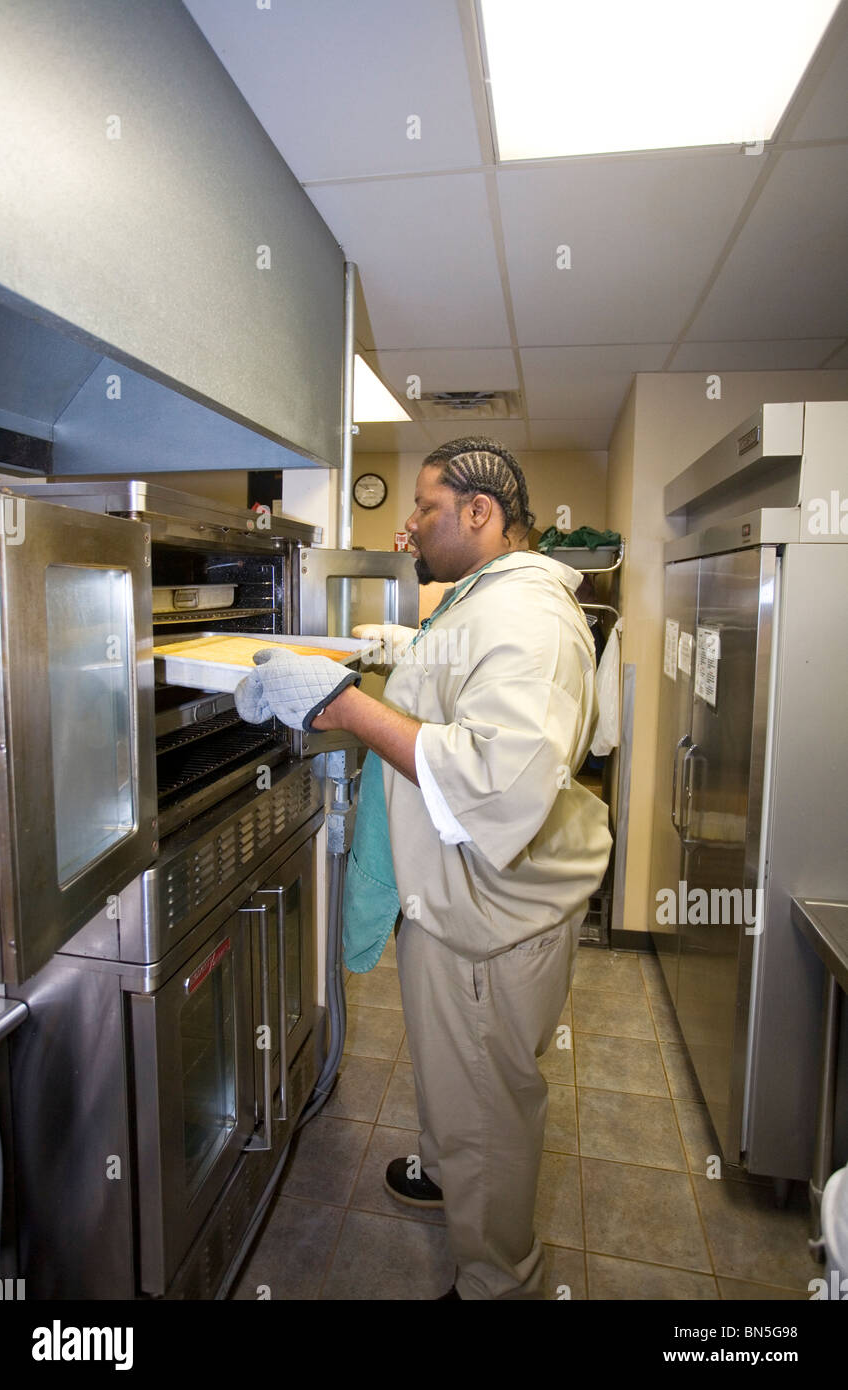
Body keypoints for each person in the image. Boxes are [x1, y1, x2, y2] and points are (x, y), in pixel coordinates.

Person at [235, 437, 612, 1300]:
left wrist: (341, 705)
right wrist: (394, 651)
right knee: (457, 1075)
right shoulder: (490, 599)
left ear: (480, 514)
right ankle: (450, 1173)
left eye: (424, 508)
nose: (407, 528)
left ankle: (497, 1280)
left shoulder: (529, 618)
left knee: (489, 1102)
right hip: (449, 896)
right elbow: (461, 681)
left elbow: (496, 776)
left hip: (491, 915)